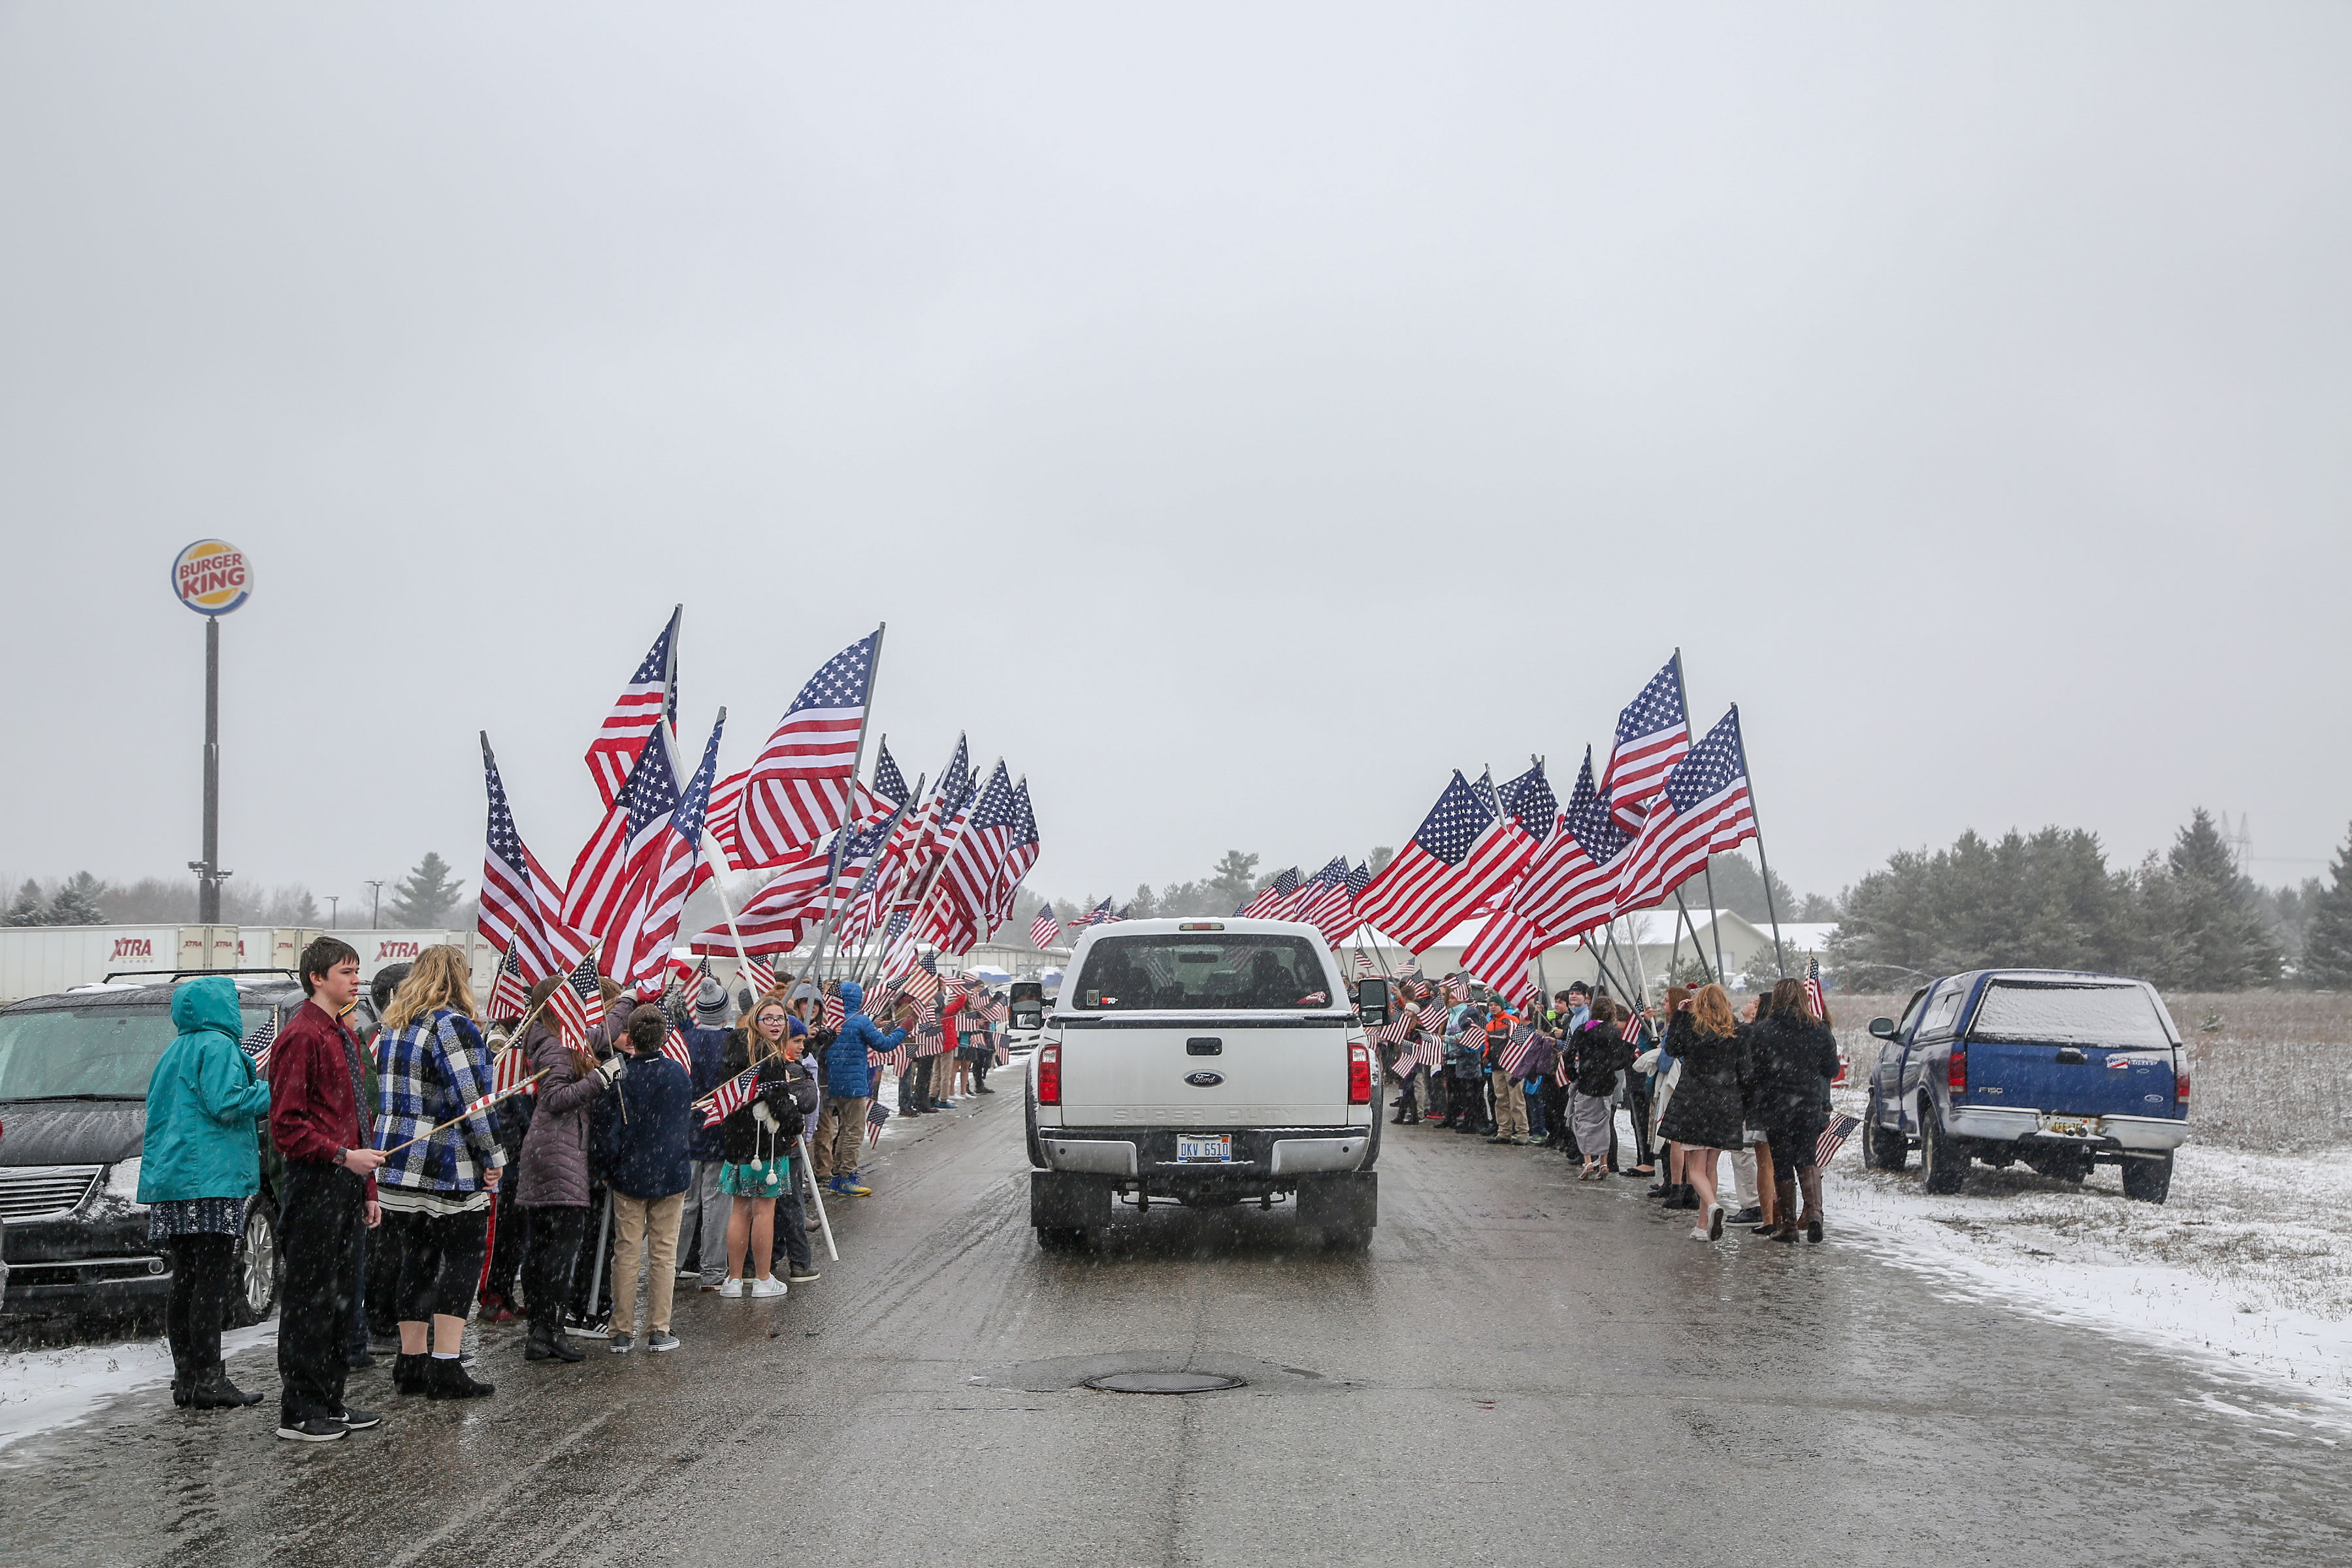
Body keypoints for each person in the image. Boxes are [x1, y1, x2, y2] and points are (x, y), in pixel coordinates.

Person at [372, 945, 503, 1400]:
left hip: (396, 1158)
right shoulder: (453, 1025)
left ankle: (411, 1362)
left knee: (417, 1259)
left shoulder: (393, 1024)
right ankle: (446, 1363)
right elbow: (473, 1101)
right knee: (464, 1259)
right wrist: (493, 1156)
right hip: (444, 1161)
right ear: (458, 977)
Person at [267, 936, 385, 1442]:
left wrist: (368, 1186)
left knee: (341, 1297)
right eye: (346, 972)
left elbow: (357, 1118)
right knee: (310, 1299)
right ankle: (300, 1409)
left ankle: (330, 1400)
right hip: (314, 1183)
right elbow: (286, 1126)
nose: (356, 981)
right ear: (317, 978)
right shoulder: (301, 1036)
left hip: (346, 1183)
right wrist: (341, 1157)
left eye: (357, 971)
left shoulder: (342, 1033)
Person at [139, 976, 273, 1411]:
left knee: (185, 1278)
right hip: (211, 1179)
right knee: (210, 1281)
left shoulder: (174, 1050)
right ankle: (210, 1379)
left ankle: (187, 1379)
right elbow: (227, 1102)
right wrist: (269, 1091)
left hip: (175, 1179)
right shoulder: (218, 1046)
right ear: (221, 1007)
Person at [514, 978, 617, 1363]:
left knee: (541, 1246)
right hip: (560, 1153)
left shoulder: (553, 1039)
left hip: (548, 1150)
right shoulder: (557, 1047)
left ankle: (540, 1332)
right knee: (559, 1249)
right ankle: (551, 1330)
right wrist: (599, 1079)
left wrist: (628, 998)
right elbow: (556, 1098)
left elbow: (605, 1029)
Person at [604, 1005, 695, 1351]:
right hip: (670, 1172)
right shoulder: (678, 1075)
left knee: (626, 1251)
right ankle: (659, 1328)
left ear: (631, 1037)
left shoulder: (622, 1077)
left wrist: (608, 1168)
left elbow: (608, 1131)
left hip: (630, 1174)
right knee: (663, 1252)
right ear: (664, 1037)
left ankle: (621, 1330)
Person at [713, 996, 812, 1299]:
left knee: (741, 1210)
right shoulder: (769, 1058)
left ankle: (734, 1280)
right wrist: (796, 1122)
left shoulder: (734, 1052)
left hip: (737, 1143)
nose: (776, 1024)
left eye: (780, 1018)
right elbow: (779, 1103)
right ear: (756, 1021)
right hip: (764, 1147)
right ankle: (762, 1279)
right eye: (768, 1018)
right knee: (763, 1212)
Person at [1749, 978, 1840, 1242]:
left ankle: (1789, 1226)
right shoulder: (1819, 1030)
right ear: (1803, 998)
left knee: (1782, 1163)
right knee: (1807, 1158)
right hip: (1809, 1104)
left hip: (1776, 1106)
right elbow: (1831, 1069)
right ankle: (1815, 1214)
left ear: (1777, 998)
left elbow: (1755, 1069)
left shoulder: (1764, 1030)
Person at [1656, 983, 1745, 1241]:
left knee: (1695, 1169)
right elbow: (1744, 1070)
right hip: (1724, 1103)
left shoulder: (1693, 1028)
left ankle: (1713, 1206)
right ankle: (1703, 1224)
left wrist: (1680, 1015)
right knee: (1711, 1168)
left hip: (1695, 1102)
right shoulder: (1736, 1032)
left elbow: (1672, 1049)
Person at [815, 980, 909, 1196]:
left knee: (844, 1129)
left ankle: (837, 1177)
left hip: (835, 1084)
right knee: (854, 1131)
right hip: (854, 1084)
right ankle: (848, 1176)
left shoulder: (833, 1021)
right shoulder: (860, 1021)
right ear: (858, 999)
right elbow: (884, 1045)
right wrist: (903, 1030)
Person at [678, 976, 739, 1292]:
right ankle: (713, 1271)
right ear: (725, 1012)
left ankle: (672, 1265)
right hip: (719, 1132)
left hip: (687, 1132)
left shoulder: (683, 1041)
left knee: (685, 1203)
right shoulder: (733, 1043)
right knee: (716, 1204)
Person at [1567, 999, 1637, 1181]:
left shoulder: (1583, 1030)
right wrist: (1609, 1068)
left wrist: (1573, 1074)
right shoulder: (1614, 1033)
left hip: (1587, 1081)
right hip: (1607, 1084)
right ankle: (1604, 1162)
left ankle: (1588, 1161)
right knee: (1604, 1122)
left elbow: (1568, 1053)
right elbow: (1623, 1059)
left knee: (1583, 1122)